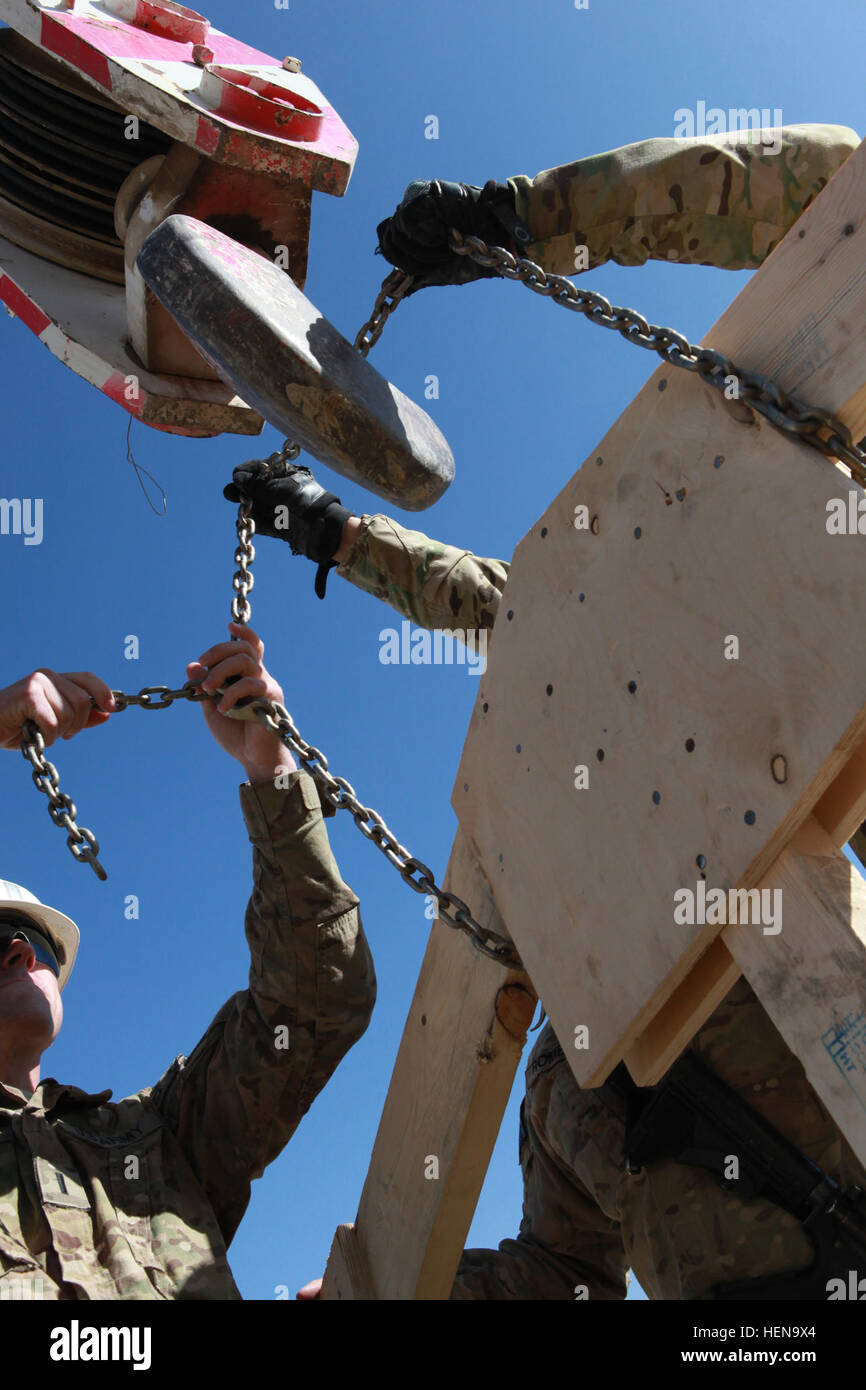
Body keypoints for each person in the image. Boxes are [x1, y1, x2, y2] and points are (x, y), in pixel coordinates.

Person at [252, 125, 866, 1299]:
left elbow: (813, 197)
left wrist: (524, 217)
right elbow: (556, 1276)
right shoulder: (574, 1064)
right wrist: (332, 534)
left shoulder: (790, 667)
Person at [0, 624, 376, 1299]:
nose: (22, 953)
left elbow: (315, 1004)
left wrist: (271, 772)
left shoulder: (156, 1139)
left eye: (37, 948)